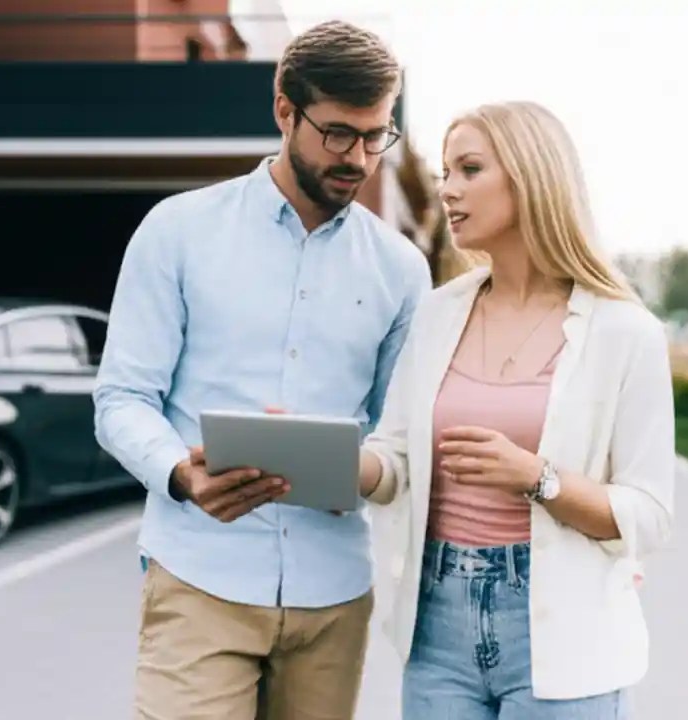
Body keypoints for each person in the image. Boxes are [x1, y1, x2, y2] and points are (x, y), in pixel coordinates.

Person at [93, 20, 433, 720]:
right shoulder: (177, 231)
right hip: (199, 579)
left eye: (376, 136)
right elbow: (122, 398)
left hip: (334, 596)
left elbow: (401, 437)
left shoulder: (402, 270)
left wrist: (360, 468)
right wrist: (183, 476)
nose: (359, 158)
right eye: (338, 133)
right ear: (285, 109)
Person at [357, 101, 676, 719]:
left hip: (566, 636)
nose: (448, 190)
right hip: (437, 627)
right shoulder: (437, 313)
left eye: (469, 169)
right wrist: (347, 466)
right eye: (446, 172)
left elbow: (650, 514)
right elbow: (393, 459)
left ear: (531, 177)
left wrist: (537, 477)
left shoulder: (624, 331)